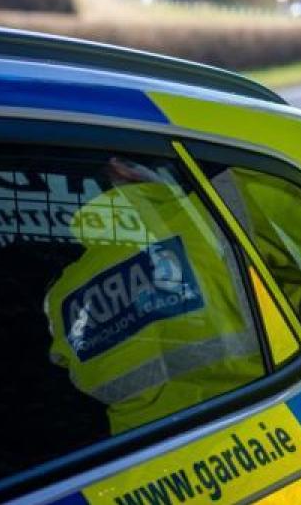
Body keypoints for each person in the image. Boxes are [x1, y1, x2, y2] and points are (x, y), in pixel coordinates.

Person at [45, 157, 263, 434]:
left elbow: (69, 366)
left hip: (150, 448)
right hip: (260, 423)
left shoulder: (63, 296)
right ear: (123, 168)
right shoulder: (223, 212)